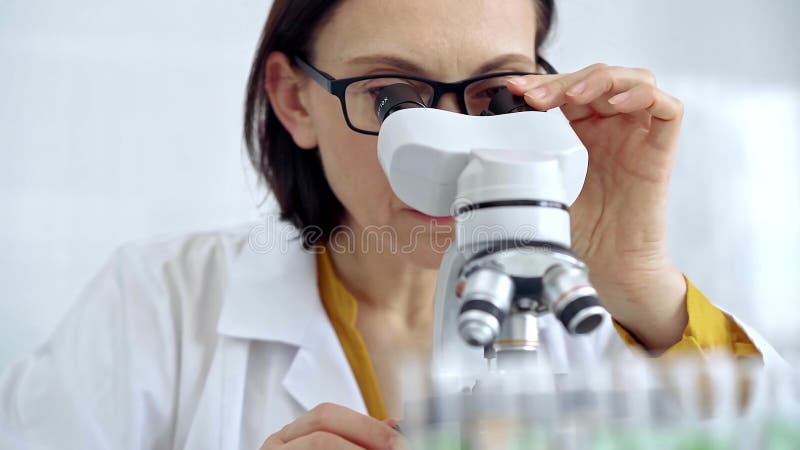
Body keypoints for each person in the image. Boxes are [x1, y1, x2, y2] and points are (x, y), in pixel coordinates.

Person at [0, 1, 785, 449]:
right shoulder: (159, 307)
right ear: (294, 100)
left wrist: (636, 274)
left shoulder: (607, 321)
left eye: (493, 95)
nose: (449, 144)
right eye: (391, 99)